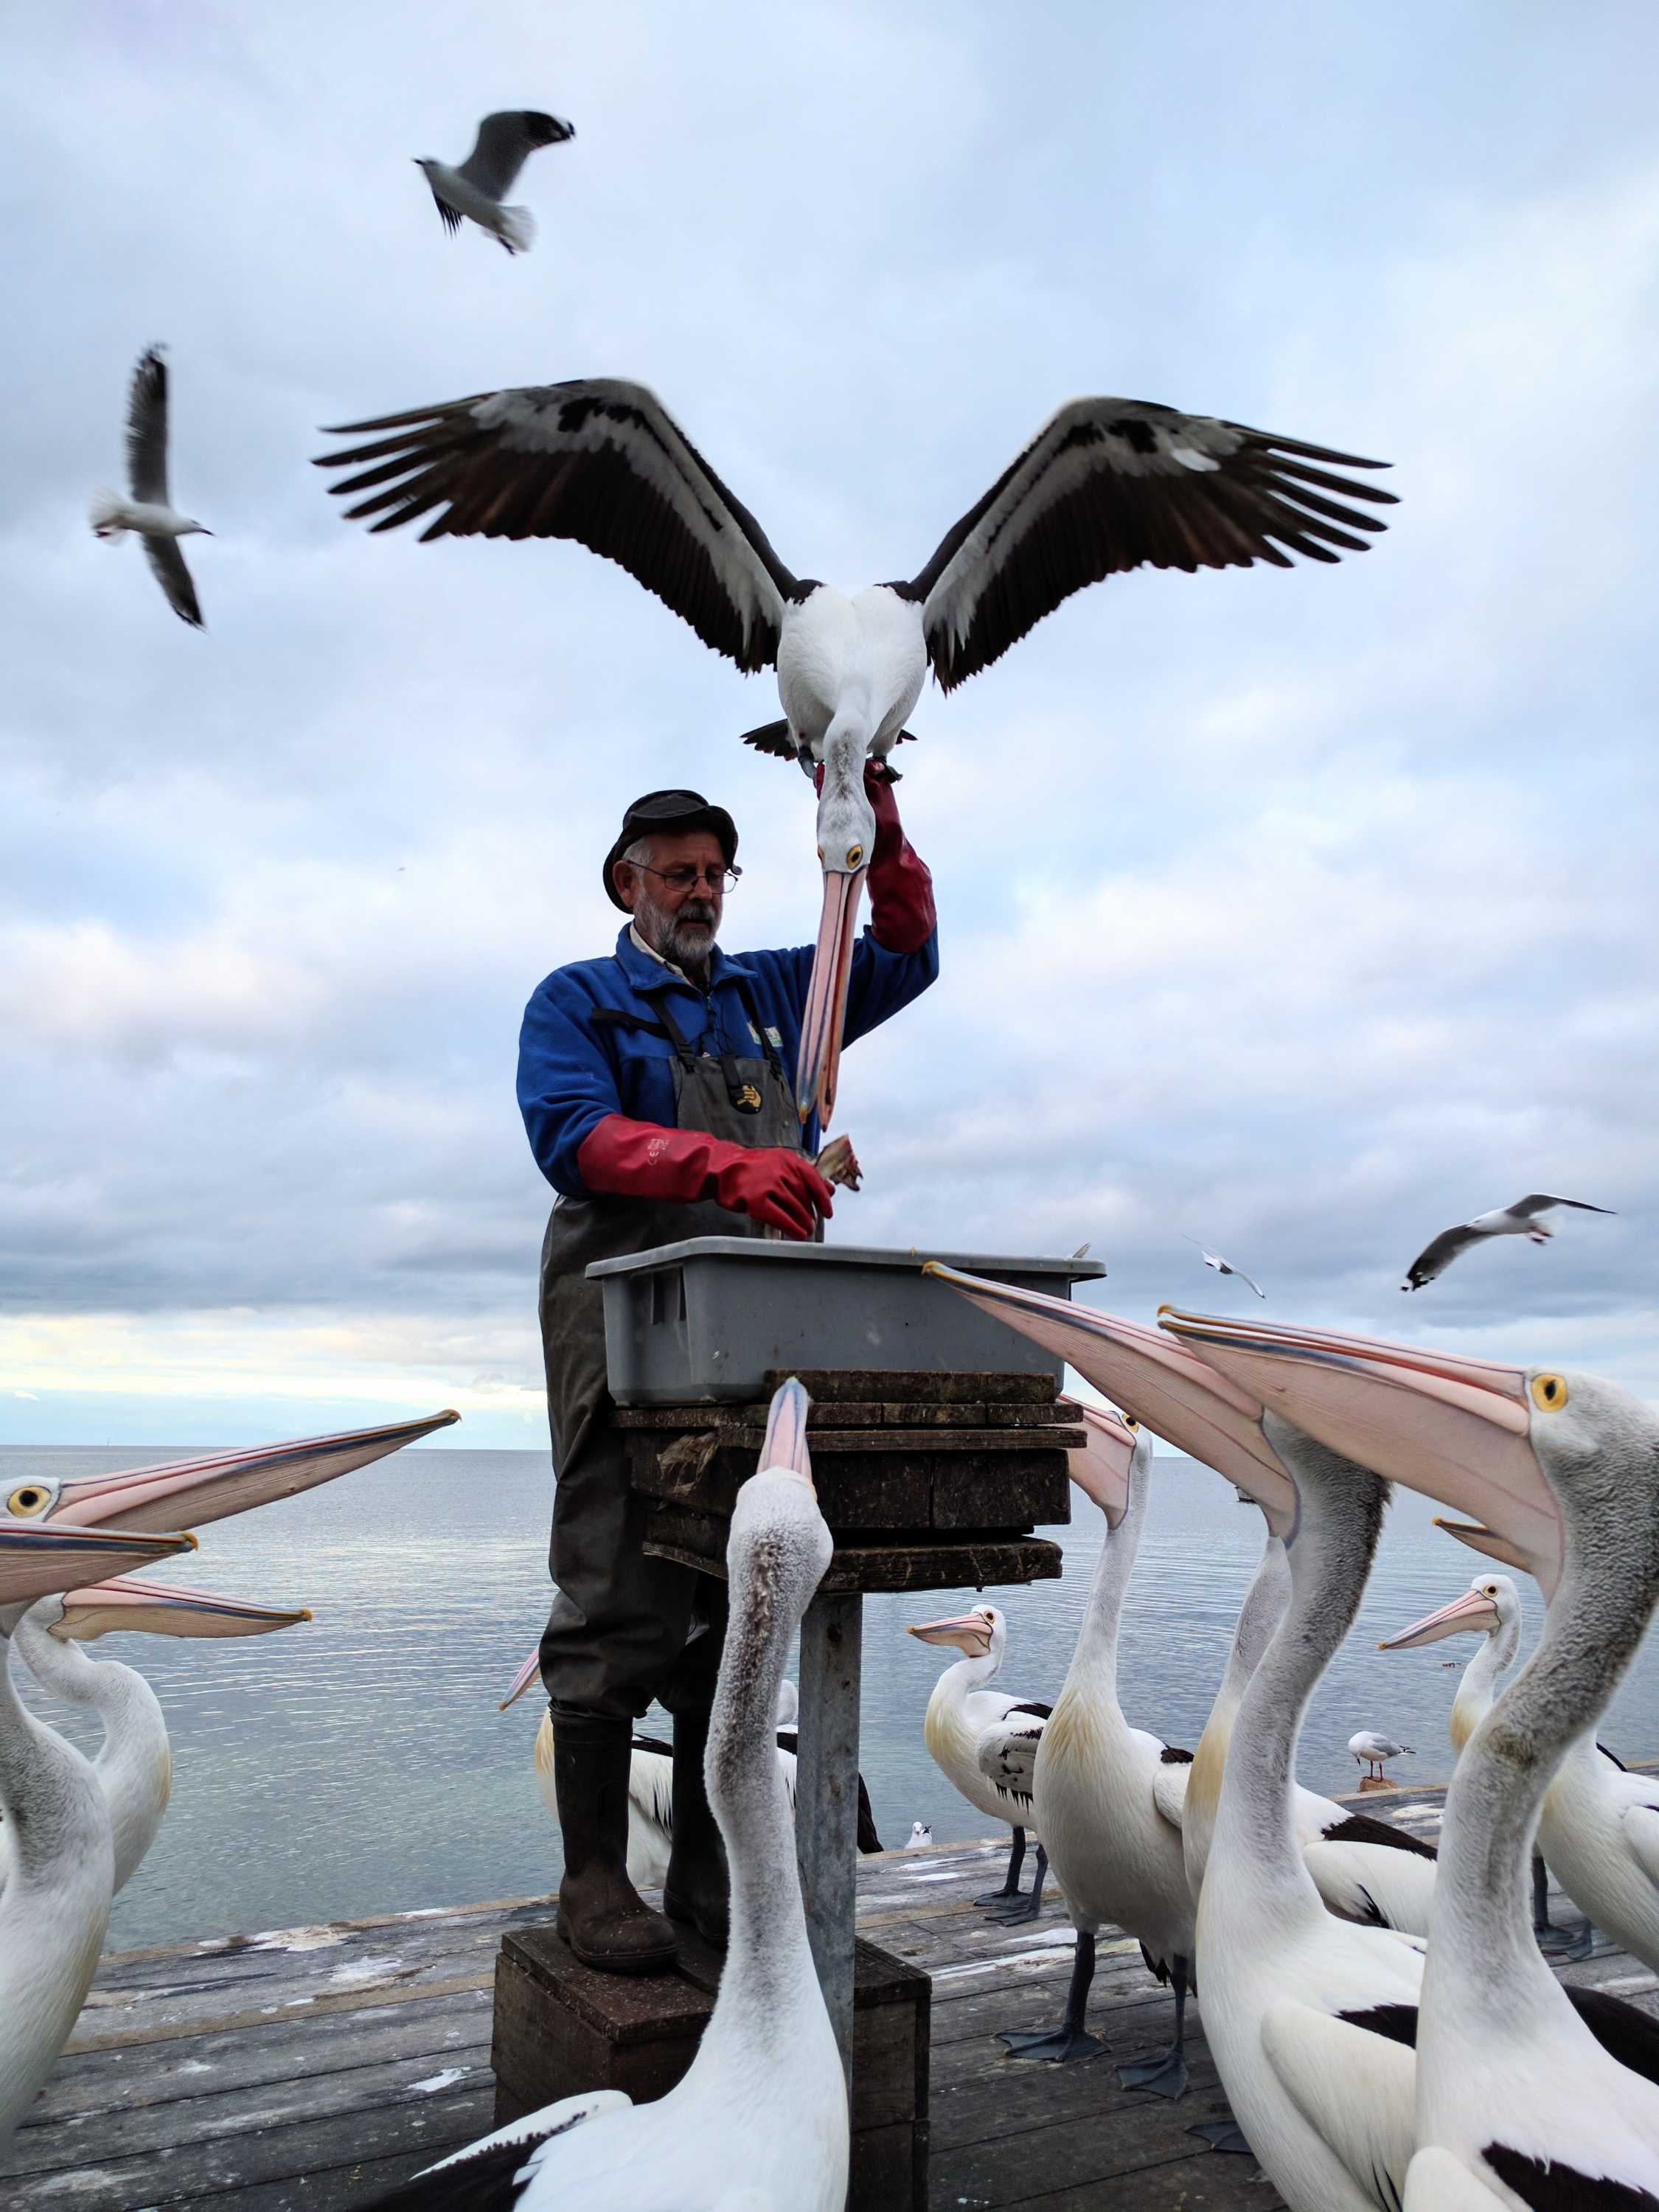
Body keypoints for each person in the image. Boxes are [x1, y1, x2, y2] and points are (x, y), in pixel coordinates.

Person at [516, 773, 938, 1972]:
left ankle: (706, 1872)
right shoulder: (578, 1001)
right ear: (626, 884)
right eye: (676, 872)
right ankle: (593, 1880)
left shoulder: (771, 991)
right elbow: (570, 1135)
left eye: (714, 872)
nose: (699, 891)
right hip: (625, 1329)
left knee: (736, 1589)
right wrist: (718, 1166)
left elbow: (907, 950)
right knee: (614, 1581)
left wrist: (883, 833)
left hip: (762, 1338)